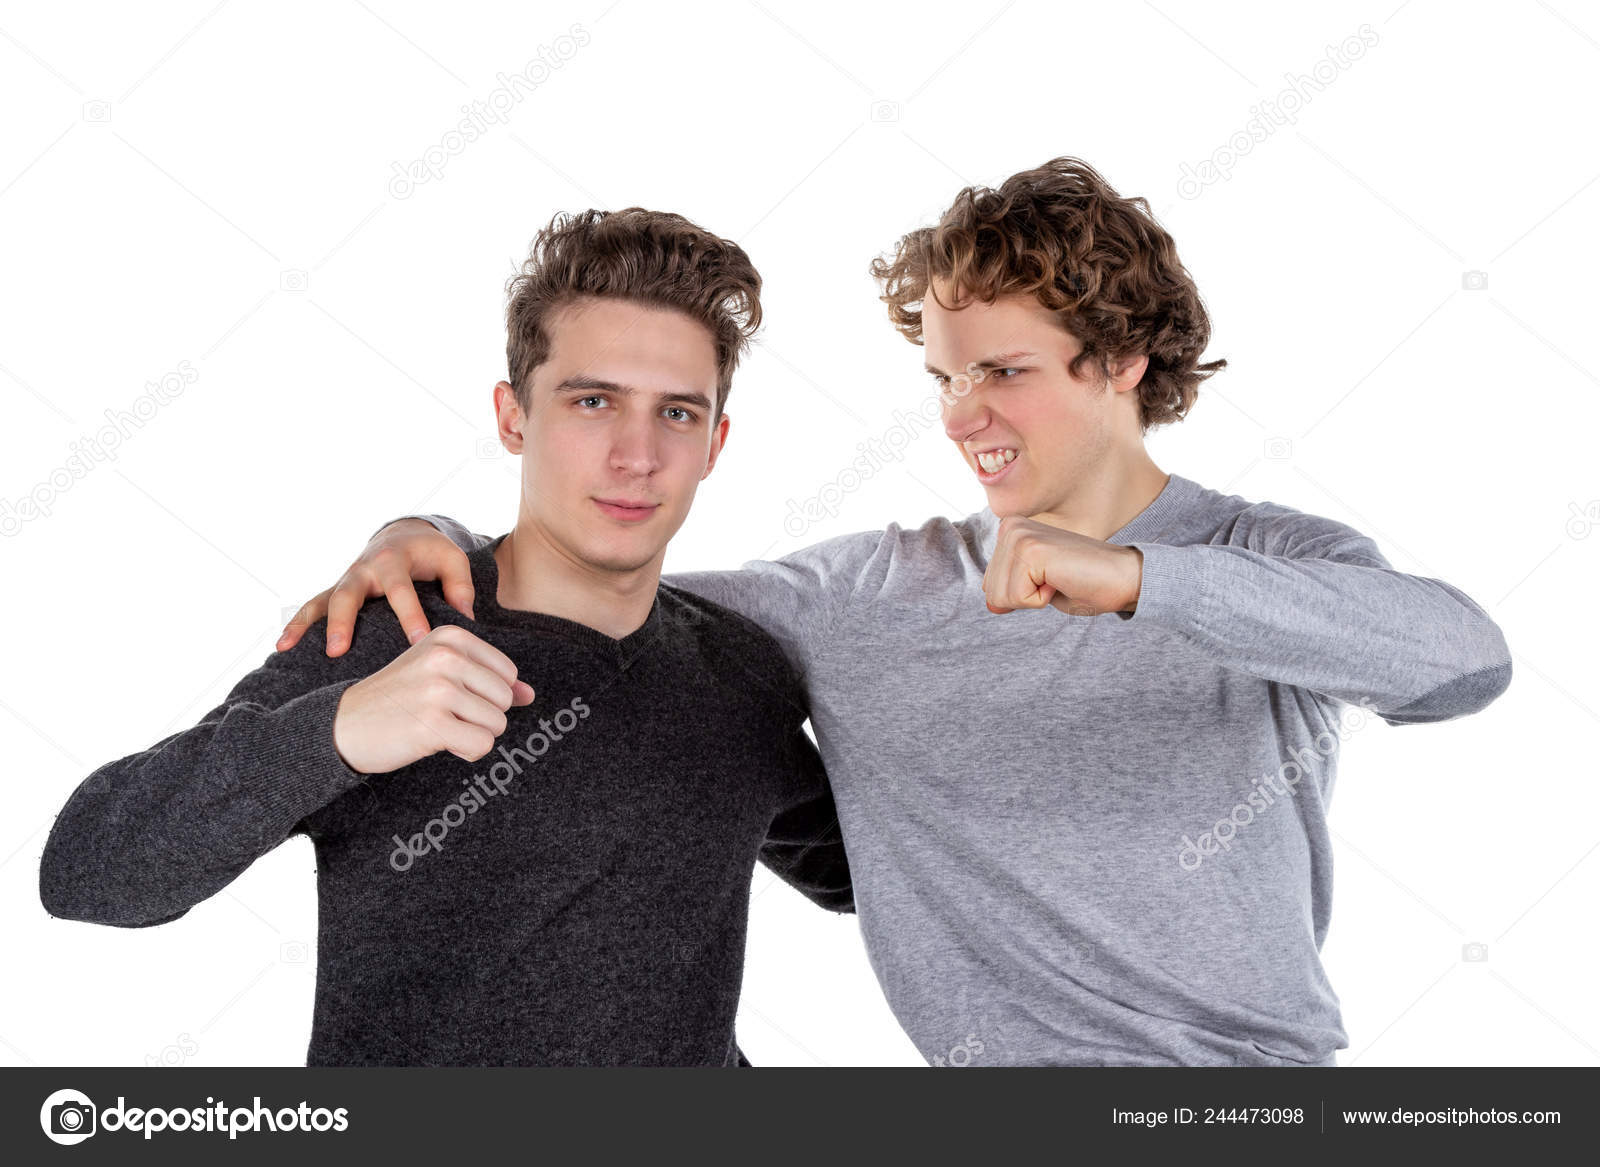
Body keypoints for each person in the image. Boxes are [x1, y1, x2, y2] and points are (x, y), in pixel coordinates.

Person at [277, 158, 1513, 1066]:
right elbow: (590, 595)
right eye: (944, 376)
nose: (963, 413)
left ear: (1124, 360)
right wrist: (431, 535)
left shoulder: (1263, 562)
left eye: (1004, 372)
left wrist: (1139, 583)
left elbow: (1460, 662)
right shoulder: (866, 593)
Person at [40, 207, 852, 1067]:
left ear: (716, 443)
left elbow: (883, 874)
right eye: (592, 401)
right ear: (513, 417)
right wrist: (340, 731)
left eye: (678, 415)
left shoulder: (739, 673)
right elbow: (91, 871)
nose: (636, 454)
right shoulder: (395, 630)